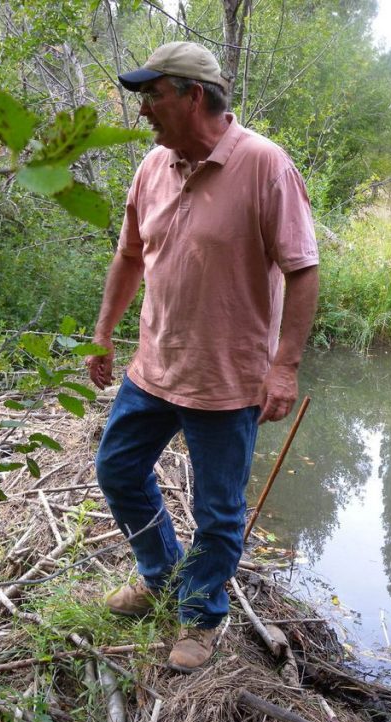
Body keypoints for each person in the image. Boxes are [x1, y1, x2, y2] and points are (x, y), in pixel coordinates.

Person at [86, 41, 319, 672]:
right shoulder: (152, 167)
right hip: (154, 367)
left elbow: (303, 270)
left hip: (228, 379)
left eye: (153, 96)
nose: (143, 111)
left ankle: (200, 614)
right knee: (118, 470)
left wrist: (284, 367)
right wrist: (104, 332)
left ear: (194, 96)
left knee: (218, 513)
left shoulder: (265, 166)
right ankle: (162, 577)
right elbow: (130, 256)